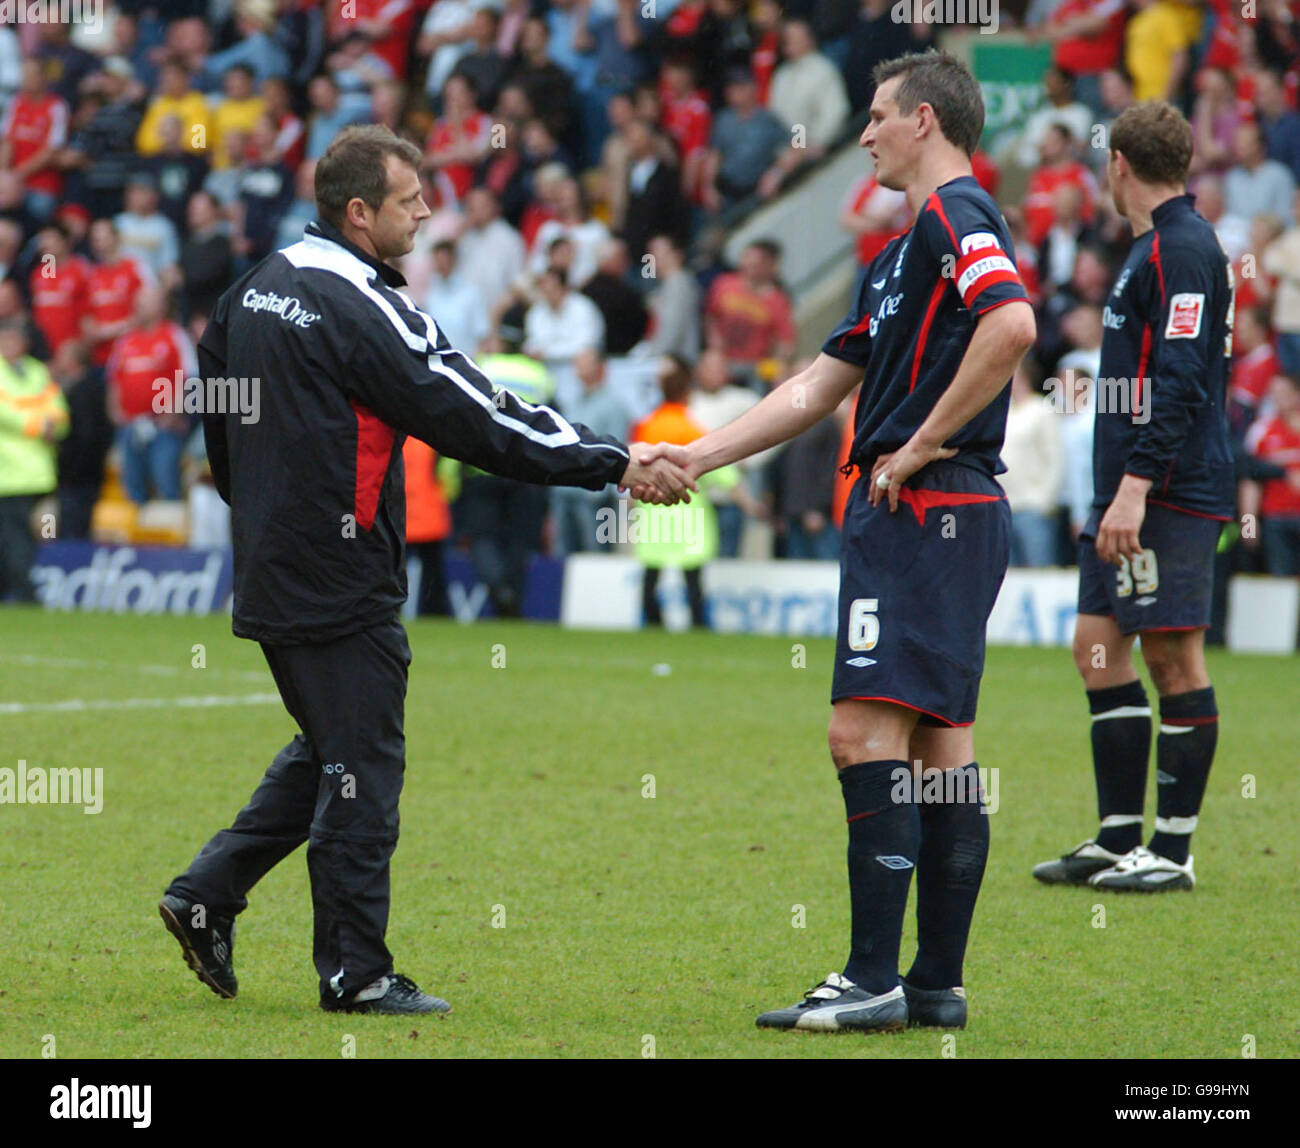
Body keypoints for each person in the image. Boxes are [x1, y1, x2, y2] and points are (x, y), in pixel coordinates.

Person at [158, 125, 691, 1016]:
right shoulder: (362, 304)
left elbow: (214, 405)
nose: (429, 211)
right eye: (411, 199)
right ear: (359, 212)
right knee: (362, 764)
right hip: (339, 567)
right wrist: (614, 461)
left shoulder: (256, 285)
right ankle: (354, 972)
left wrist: (253, 506)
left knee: (333, 745)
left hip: (276, 559)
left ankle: (208, 892)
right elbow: (476, 412)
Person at [641, 51, 1037, 1032]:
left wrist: (921, 438)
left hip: (926, 504)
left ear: (924, 120)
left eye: (875, 117)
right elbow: (813, 390)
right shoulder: (895, 255)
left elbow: (1014, 324)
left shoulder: (956, 215)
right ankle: (934, 984)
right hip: (941, 508)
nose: (861, 135)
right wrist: (698, 456)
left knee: (859, 734)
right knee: (943, 749)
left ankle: (869, 978)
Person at [1033, 102, 1234, 894]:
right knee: (1094, 643)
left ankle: (1174, 851)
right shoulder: (1151, 249)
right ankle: (1119, 836)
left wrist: (1138, 487)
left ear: (1119, 161)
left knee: (1172, 657)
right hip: (1124, 491)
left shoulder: (1182, 250)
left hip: (1166, 491)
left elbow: (1181, 380)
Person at [0, 317, 68, 601]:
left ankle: (21, 590)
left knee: (38, 536)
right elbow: (6, 414)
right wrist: (41, 426)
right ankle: (25, 594)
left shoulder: (39, 372)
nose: (10, 345)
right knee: (14, 540)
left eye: (15, 339)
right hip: (8, 475)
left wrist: (56, 425)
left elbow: (59, 411)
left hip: (39, 473)